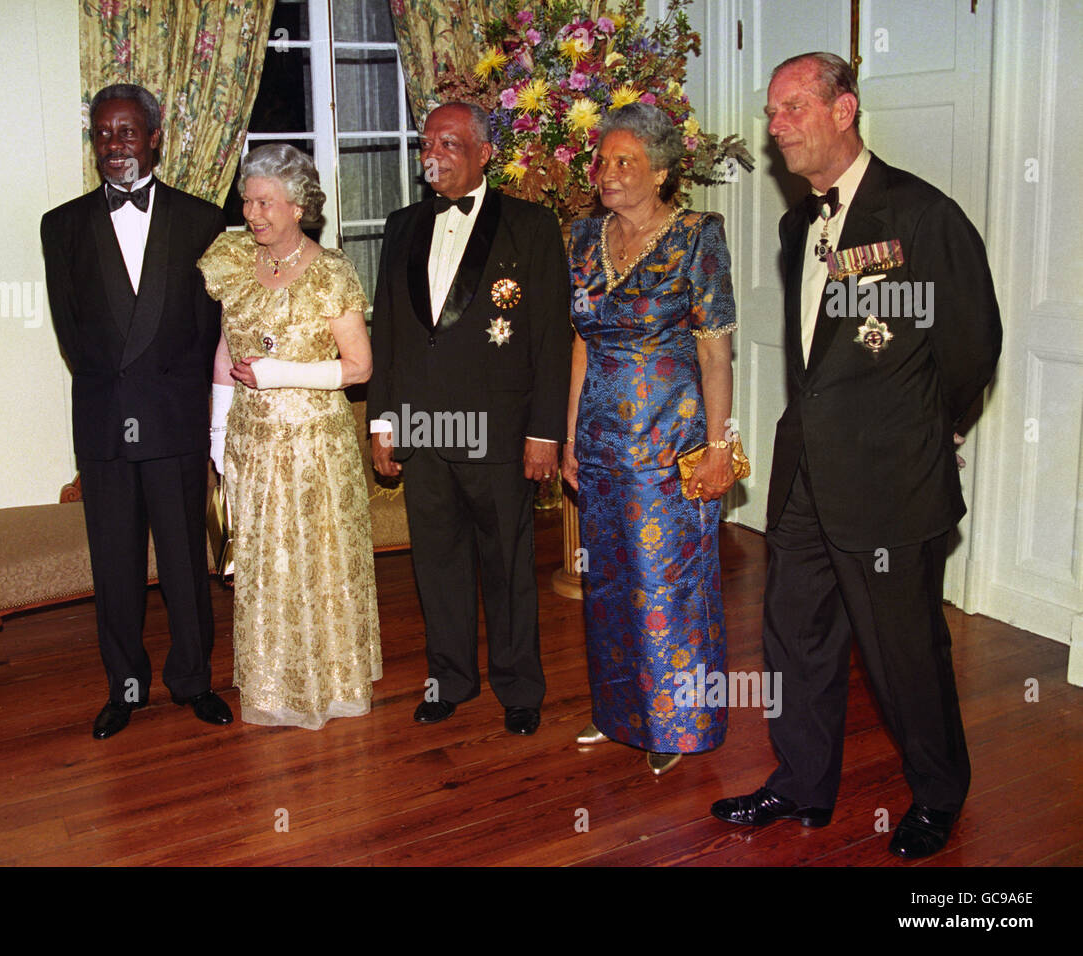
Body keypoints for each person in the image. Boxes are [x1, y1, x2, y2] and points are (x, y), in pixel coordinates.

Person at [710, 53, 1001, 859]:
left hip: (891, 483)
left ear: (844, 110)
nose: (776, 127)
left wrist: (930, 428)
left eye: (792, 108)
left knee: (902, 652)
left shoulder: (920, 215)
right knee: (795, 637)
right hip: (806, 473)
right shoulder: (796, 223)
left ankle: (939, 796)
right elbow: (818, 357)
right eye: (771, 113)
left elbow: (973, 344)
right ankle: (803, 785)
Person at [367, 102, 570, 736]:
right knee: (437, 561)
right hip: (423, 428)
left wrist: (543, 433)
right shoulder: (401, 225)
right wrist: (382, 422)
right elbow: (392, 332)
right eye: (428, 142)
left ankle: (518, 687)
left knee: (507, 562)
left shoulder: (532, 226)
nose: (435, 154)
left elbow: (551, 341)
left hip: (499, 428)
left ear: (484, 153)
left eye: (450, 143)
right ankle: (448, 679)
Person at [41, 83, 233, 739]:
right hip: (104, 420)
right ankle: (125, 688)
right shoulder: (60, 226)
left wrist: (185, 410)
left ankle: (194, 682)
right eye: (102, 133)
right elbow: (74, 337)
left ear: (154, 136)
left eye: (126, 131)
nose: (114, 144)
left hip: (174, 418)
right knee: (115, 568)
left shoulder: (204, 220)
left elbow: (209, 330)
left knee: (186, 563)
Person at [560, 103, 738, 776]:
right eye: (602, 160)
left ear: (661, 171)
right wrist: (573, 438)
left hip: (672, 445)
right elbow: (580, 344)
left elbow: (717, 354)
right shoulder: (580, 238)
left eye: (624, 160)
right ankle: (618, 713)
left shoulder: (698, 236)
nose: (607, 172)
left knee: (671, 585)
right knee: (607, 583)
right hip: (602, 447)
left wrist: (720, 451)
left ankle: (677, 722)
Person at [199, 144, 381, 730]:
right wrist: (218, 427)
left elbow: (358, 368)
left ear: (298, 206)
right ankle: (272, 684)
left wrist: (280, 374)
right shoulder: (230, 259)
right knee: (264, 562)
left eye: (265, 202)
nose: (252, 213)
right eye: (248, 200)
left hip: (314, 445)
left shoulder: (331, 271)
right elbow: (226, 347)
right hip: (249, 440)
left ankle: (331, 685)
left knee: (318, 561)